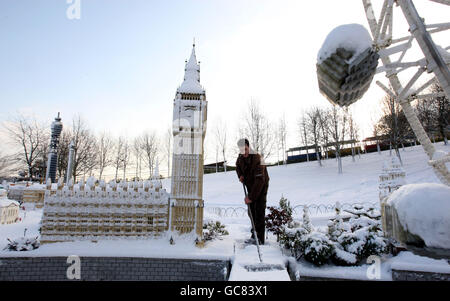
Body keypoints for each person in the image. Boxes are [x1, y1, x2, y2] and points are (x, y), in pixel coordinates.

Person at [235, 138, 270, 244]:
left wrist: (250, 197)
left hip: (261, 185)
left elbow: (260, 180)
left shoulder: (258, 158)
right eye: (241, 150)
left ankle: (260, 239)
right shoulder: (241, 157)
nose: (244, 153)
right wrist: (240, 175)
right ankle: (254, 234)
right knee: (251, 211)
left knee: (259, 210)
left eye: (245, 149)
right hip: (250, 184)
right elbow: (237, 166)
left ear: (249, 147)